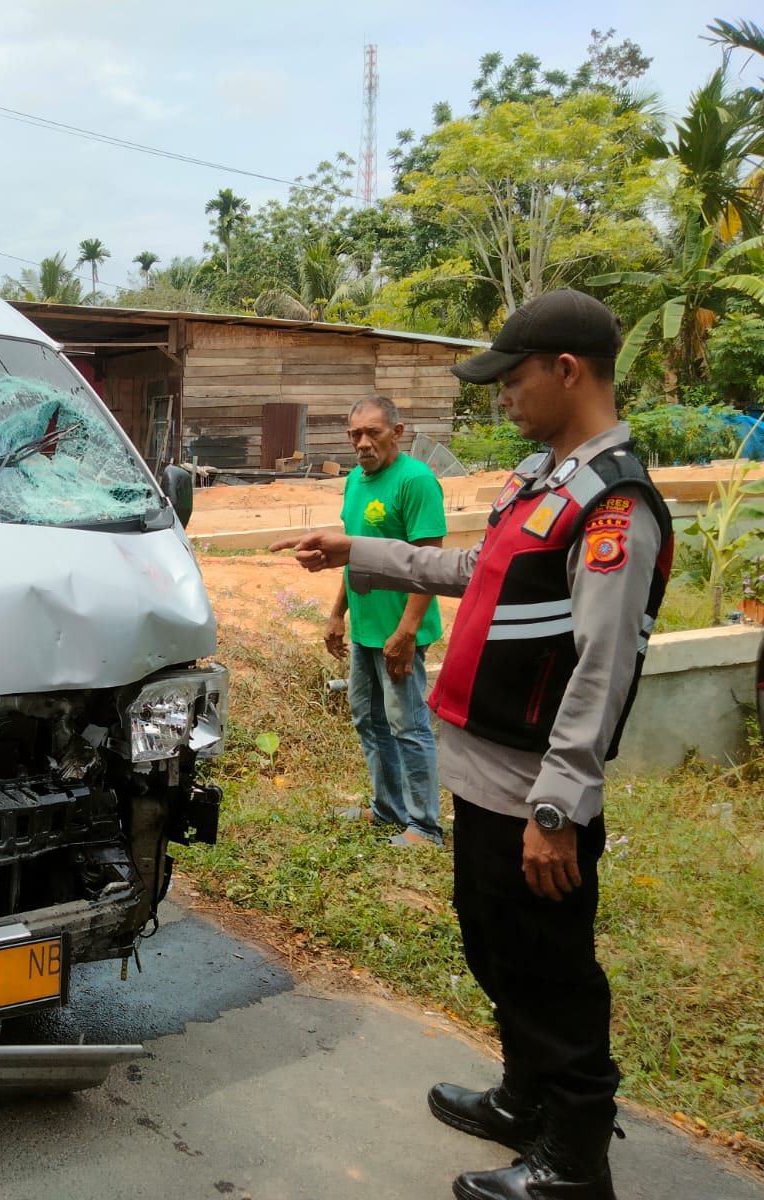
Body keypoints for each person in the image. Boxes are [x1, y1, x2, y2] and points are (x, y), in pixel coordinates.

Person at [272, 289, 672, 1200]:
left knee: (550, 969)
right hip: (484, 770)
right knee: (496, 949)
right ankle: (525, 1096)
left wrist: (557, 808)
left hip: (535, 788)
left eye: (513, 378)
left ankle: (575, 1157)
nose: (503, 398)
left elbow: (601, 673)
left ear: (566, 371)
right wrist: (355, 553)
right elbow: (470, 572)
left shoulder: (614, 508)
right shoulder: (544, 479)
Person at [330, 394, 447, 846]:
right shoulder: (356, 482)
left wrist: (407, 630)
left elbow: (430, 564)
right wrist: (337, 613)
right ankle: (386, 810)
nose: (362, 443)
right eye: (354, 434)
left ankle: (424, 825)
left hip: (401, 632)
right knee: (368, 719)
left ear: (398, 432)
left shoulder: (416, 481)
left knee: (408, 725)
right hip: (365, 628)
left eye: (372, 433)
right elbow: (351, 554)